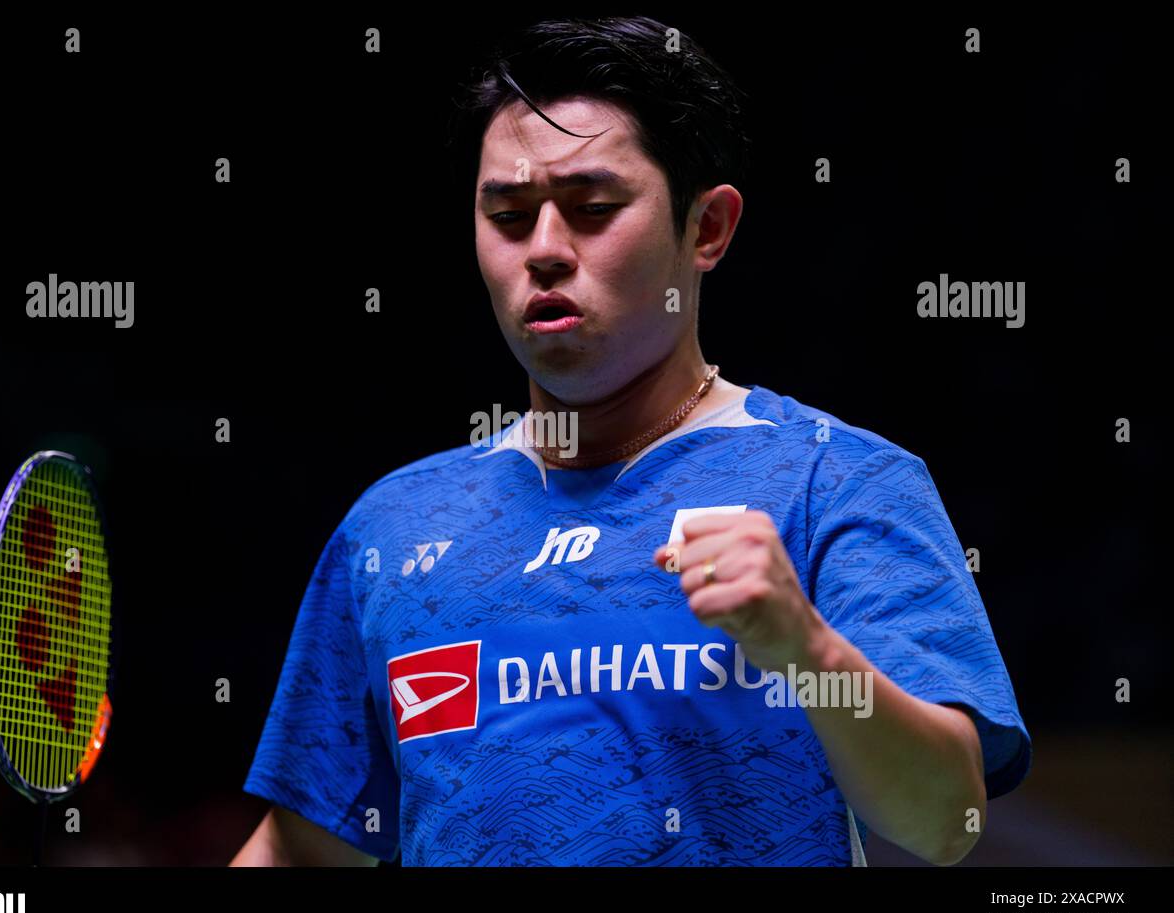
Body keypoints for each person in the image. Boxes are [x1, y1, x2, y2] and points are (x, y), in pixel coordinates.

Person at [230, 16, 1030, 867]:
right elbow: (299, 846)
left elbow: (949, 821)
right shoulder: (391, 528)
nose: (543, 251)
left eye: (593, 209)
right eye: (507, 215)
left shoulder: (837, 481)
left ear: (707, 228)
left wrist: (806, 647)